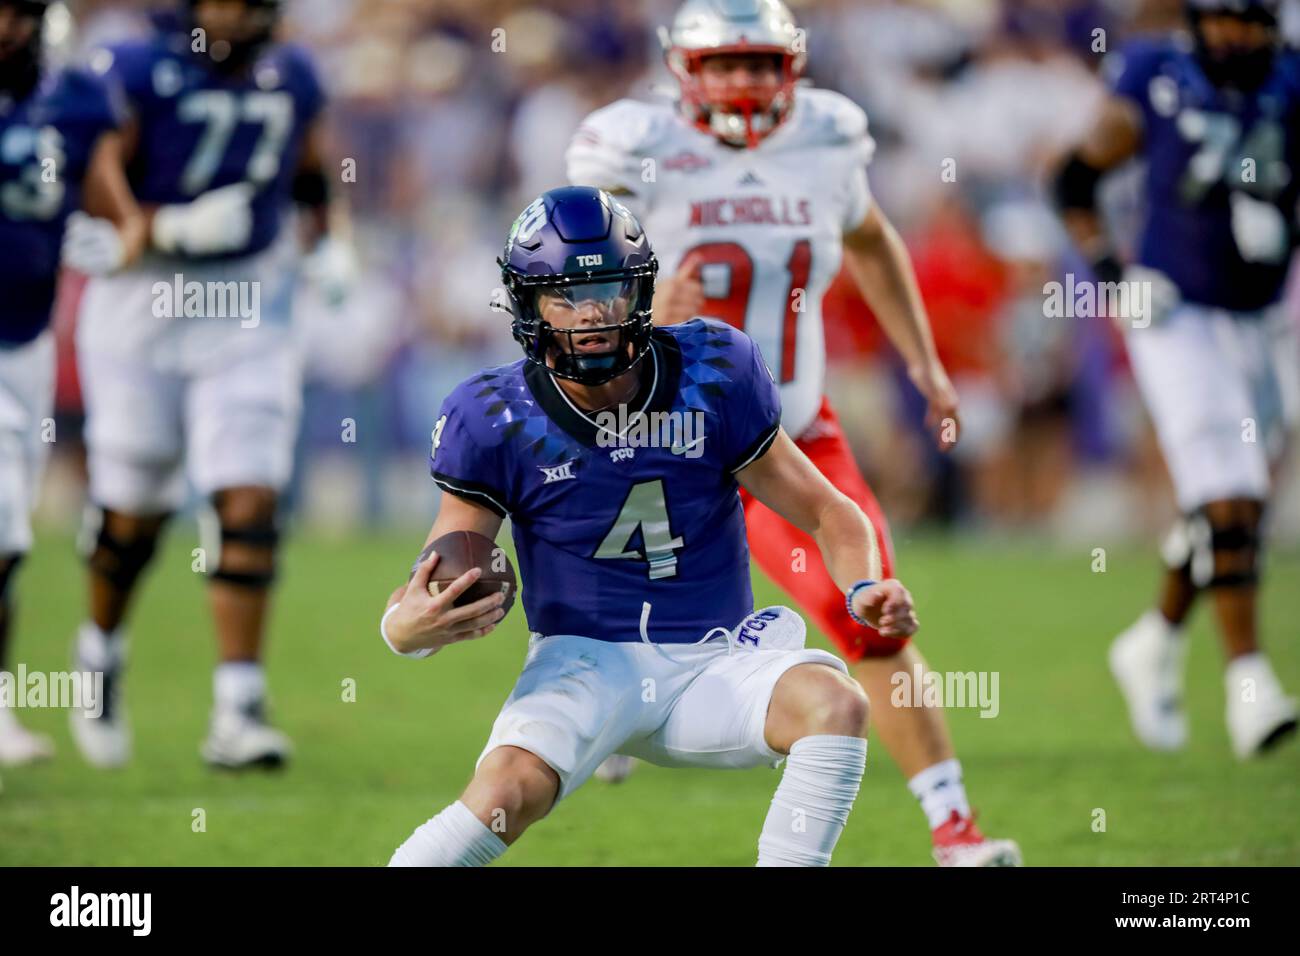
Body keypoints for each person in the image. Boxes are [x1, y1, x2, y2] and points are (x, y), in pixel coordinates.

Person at [567, 0, 1019, 865]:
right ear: (684, 69)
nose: (744, 81)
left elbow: (872, 240)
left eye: (760, 62)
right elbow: (567, 281)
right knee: (600, 609)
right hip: (658, 434)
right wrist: (640, 314)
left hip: (792, 430)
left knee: (872, 614)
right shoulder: (630, 144)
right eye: (726, 63)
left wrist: (922, 362)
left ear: (793, 65)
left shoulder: (827, 137)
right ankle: (625, 688)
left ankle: (954, 828)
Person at [382, 185, 920, 866]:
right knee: (504, 792)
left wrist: (863, 584)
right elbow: (436, 570)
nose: (592, 313)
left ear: (639, 291)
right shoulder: (495, 415)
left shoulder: (713, 371)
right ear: (527, 302)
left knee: (835, 705)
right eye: (565, 295)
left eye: (607, 288)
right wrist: (405, 631)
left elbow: (828, 510)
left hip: (715, 660)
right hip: (584, 663)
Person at [69, 0, 346, 770]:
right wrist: (160, 227)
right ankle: (99, 650)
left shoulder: (290, 72)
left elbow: (313, 173)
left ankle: (239, 706)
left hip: (247, 301)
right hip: (143, 299)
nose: (247, 16)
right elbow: (90, 177)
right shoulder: (132, 68)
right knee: (135, 508)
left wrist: (328, 246)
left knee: (248, 495)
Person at [1054, 0, 1298, 758]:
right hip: (1174, 313)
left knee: (1226, 501)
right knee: (1229, 490)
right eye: (1220, 18)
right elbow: (1072, 182)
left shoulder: (1289, 82)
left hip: (1262, 319)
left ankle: (1155, 638)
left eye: (1248, 20)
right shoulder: (1154, 72)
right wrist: (1111, 275)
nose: (1233, 35)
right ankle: (1249, 682)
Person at [0, 0, 144, 774]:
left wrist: (115, 243)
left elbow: (116, 210)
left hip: (22, 341)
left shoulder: (73, 99)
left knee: (10, 534)